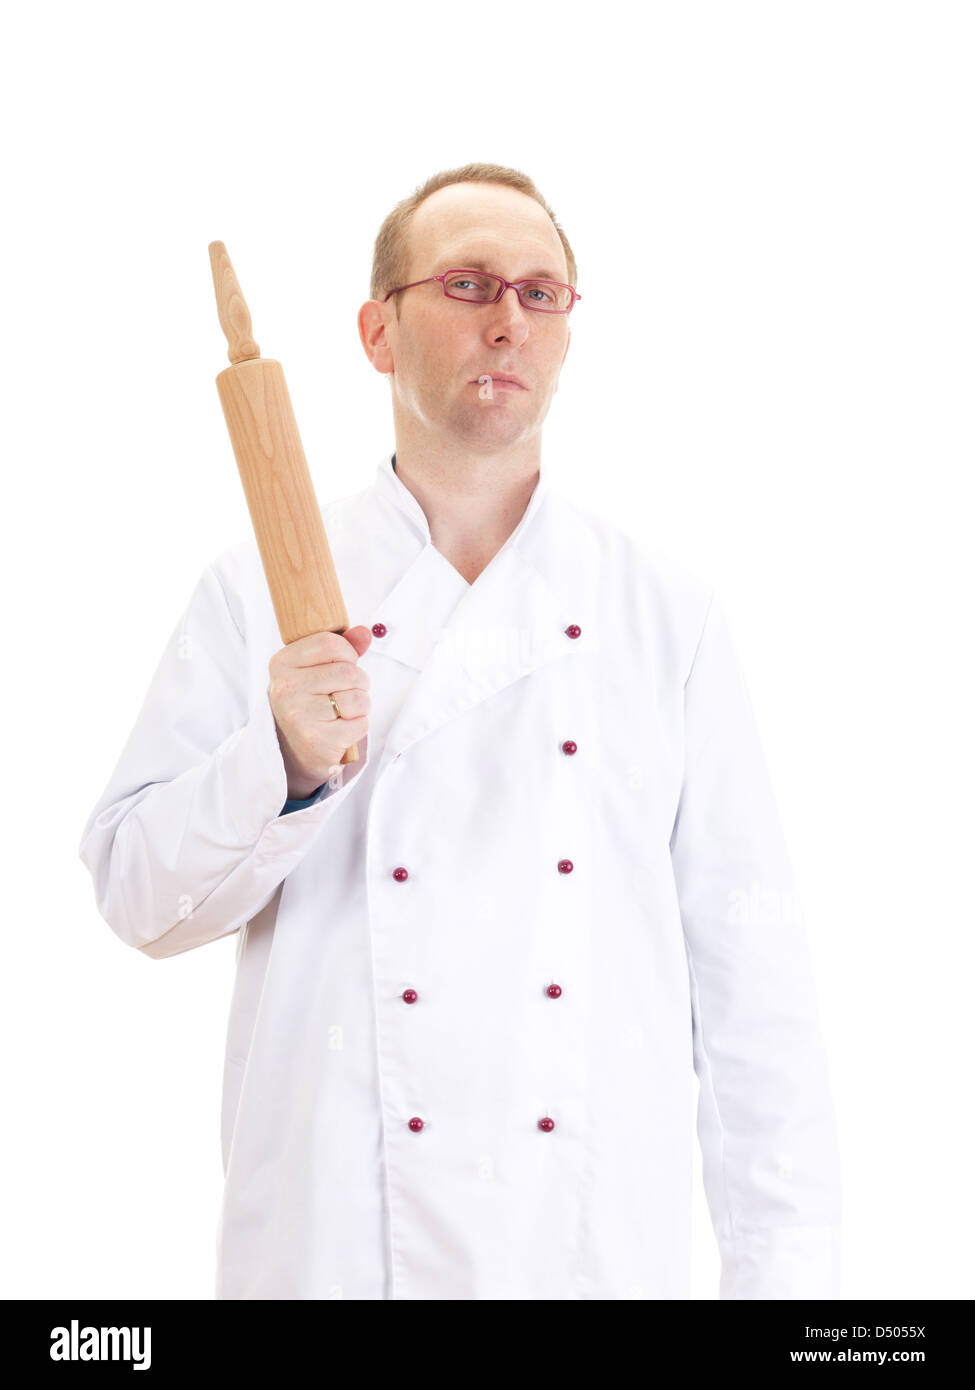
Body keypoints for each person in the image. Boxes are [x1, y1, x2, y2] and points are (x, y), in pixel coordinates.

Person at [79, 162, 841, 1300]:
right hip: (337, 1243)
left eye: (541, 294)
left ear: (570, 335)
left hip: (585, 1249)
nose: (508, 321)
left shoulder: (662, 613)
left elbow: (752, 997)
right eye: (470, 283)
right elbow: (136, 898)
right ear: (376, 332)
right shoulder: (260, 592)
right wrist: (275, 765)